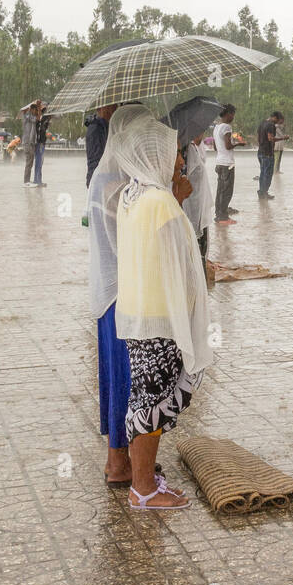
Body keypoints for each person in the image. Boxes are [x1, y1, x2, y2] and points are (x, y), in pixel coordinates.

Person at [111, 119, 212, 510]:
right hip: (161, 316)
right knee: (153, 402)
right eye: (173, 155)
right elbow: (180, 262)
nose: (180, 162)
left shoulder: (132, 194)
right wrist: (178, 202)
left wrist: (175, 197)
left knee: (143, 397)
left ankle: (145, 479)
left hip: (138, 313)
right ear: (153, 155)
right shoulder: (160, 203)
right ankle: (143, 489)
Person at [87, 105, 153, 486]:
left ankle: (121, 457)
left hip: (109, 293)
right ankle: (119, 462)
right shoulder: (119, 185)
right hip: (123, 295)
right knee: (128, 379)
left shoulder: (107, 177)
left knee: (117, 377)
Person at [182, 131, 214, 264]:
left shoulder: (192, 149)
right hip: (191, 206)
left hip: (197, 204)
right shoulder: (185, 151)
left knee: (198, 247)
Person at [213, 105, 238, 225]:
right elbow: (228, 146)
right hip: (227, 163)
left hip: (219, 162)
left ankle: (218, 214)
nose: (233, 117)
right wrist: (238, 144)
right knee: (227, 191)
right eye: (232, 114)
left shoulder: (216, 127)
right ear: (227, 113)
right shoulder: (227, 127)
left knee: (220, 190)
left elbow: (214, 147)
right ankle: (223, 217)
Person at [85, 104, 117, 187]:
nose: (116, 108)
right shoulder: (96, 128)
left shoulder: (105, 125)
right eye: (113, 106)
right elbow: (95, 159)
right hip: (100, 180)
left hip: (106, 178)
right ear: (104, 108)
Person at [255, 110, 285, 199]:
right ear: (275, 118)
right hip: (267, 153)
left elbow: (258, 137)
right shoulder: (271, 125)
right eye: (279, 121)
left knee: (263, 173)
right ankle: (264, 193)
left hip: (260, 152)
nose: (279, 123)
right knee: (267, 174)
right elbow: (271, 138)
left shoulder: (262, 123)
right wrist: (283, 138)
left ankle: (261, 192)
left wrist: (262, 145)